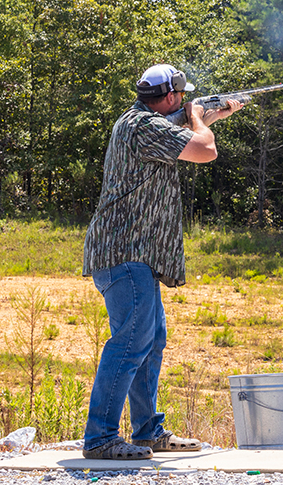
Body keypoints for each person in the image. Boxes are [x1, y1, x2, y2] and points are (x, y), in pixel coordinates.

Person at [81, 64, 242, 460]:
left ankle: (147, 431)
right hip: (124, 252)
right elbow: (206, 150)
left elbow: (186, 135)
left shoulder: (143, 122)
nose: (184, 100)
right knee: (130, 342)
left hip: (134, 254)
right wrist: (197, 119)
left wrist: (206, 116)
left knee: (150, 340)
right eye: (181, 96)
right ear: (170, 97)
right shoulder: (143, 126)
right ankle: (100, 438)